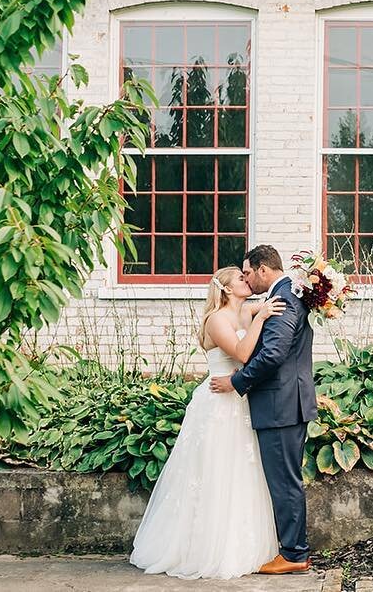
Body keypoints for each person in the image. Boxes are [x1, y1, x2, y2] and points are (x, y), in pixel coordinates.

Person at [128, 264, 286, 579]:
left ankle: (243, 544)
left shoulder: (246, 311)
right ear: (226, 289)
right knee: (214, 470)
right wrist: (262, 317)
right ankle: (203, 548)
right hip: (217, 404)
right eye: (242, 278)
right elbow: (242, 353)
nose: (248, 280)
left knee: (242, 472)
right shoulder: (217, 320)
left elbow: (271, 300)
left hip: (239, 400)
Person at [210, 244, 317, 575]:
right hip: (285, 402)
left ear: (263, 270)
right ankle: (291, 550)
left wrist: (237, 382)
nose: (246, 279)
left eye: (248, 273)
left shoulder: (283, 298)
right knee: (284, 478)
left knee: (284, 481)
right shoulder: (284, 292)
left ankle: (294, 554)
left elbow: (272, 355)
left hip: (281, 404)